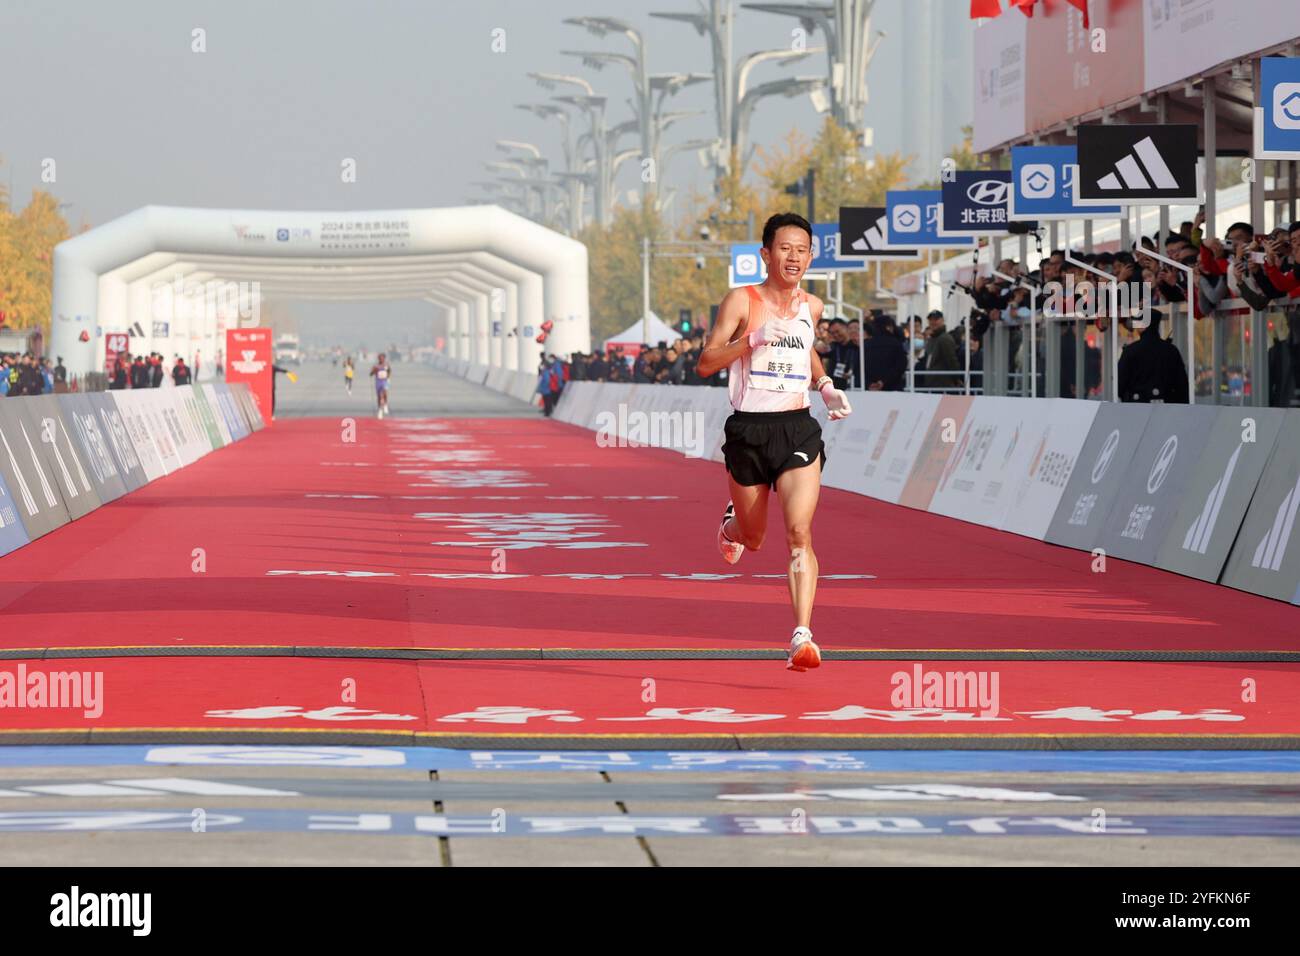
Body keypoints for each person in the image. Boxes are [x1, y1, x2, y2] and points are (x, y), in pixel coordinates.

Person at [695, 212, 852, 673]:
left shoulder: (813, 306)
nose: (794, 257)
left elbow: (806, 350)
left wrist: (824, 386)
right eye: (785, 248)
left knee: (799, 533)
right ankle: (732, 527)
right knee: (755, 538)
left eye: (802, 250)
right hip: (748, 430)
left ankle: (802, 635)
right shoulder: (741, 302)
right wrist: (753, 340)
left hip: (797, 428)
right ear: (765, 254)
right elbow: (706, 362)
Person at [1118, 318, 1190, 403]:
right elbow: (1182, 387)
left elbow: (1119, 386)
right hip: (1168, 409)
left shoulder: (1130, 351)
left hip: (1136, 409)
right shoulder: (1172, 350)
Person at [369, 352, 392, 418]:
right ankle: (380, 410)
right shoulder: (376, 366)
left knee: (385, 393)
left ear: (384, 358)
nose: (381, 359)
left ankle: (385, 404)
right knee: (379, 396)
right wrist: (374, 371)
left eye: (382, 358)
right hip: (378, 382)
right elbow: (370, 374)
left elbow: (389, 371)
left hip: (385, 381)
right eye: (380, 358)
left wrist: (388, 377)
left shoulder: (387, 365)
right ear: (378, 359)